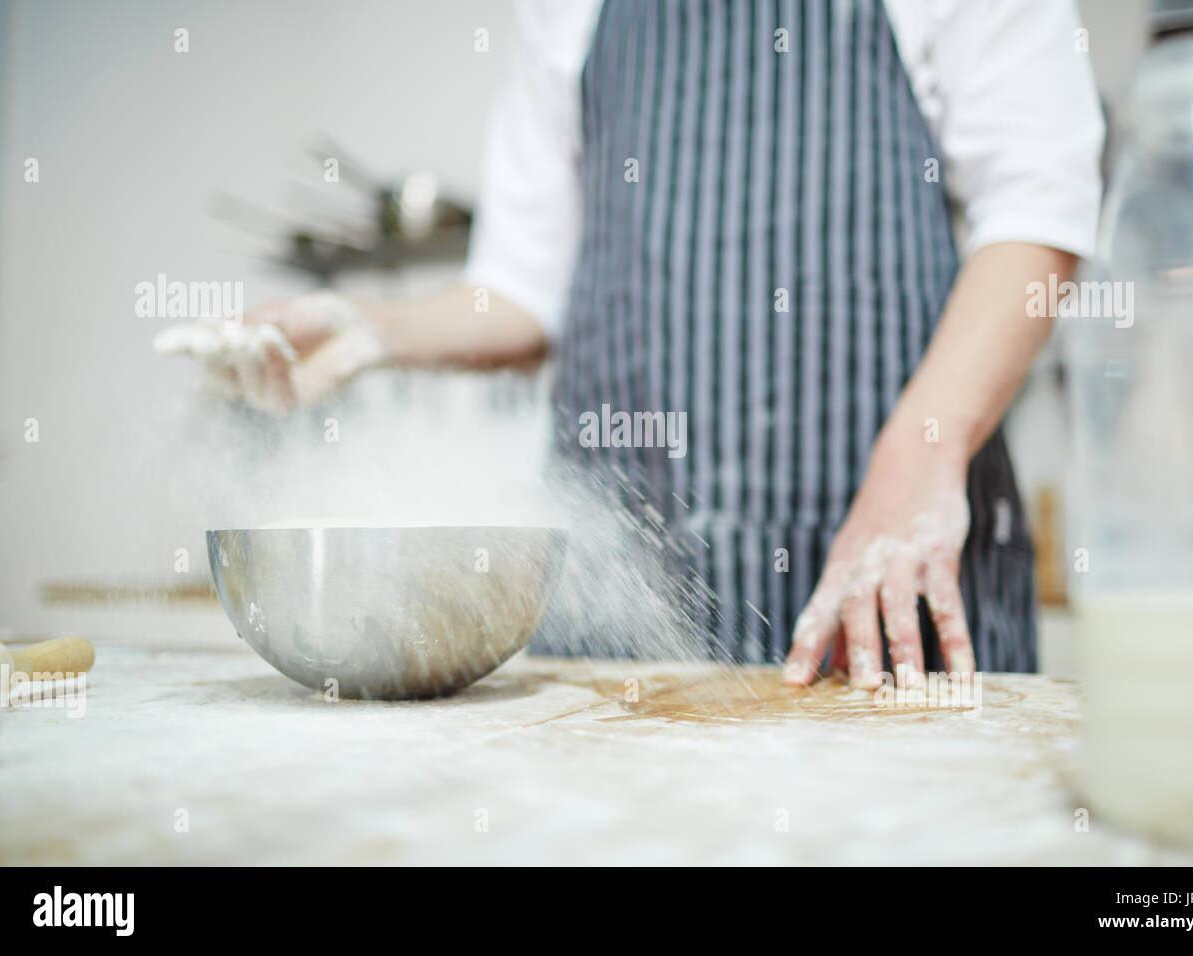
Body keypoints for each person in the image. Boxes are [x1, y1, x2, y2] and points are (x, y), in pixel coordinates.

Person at [159, 0, 1103, 689]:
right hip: (629, 603)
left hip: (876, 585)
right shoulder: (564, 11)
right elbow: (522, 290)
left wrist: (920, 459)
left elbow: (1039, 203)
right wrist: (368, 331)